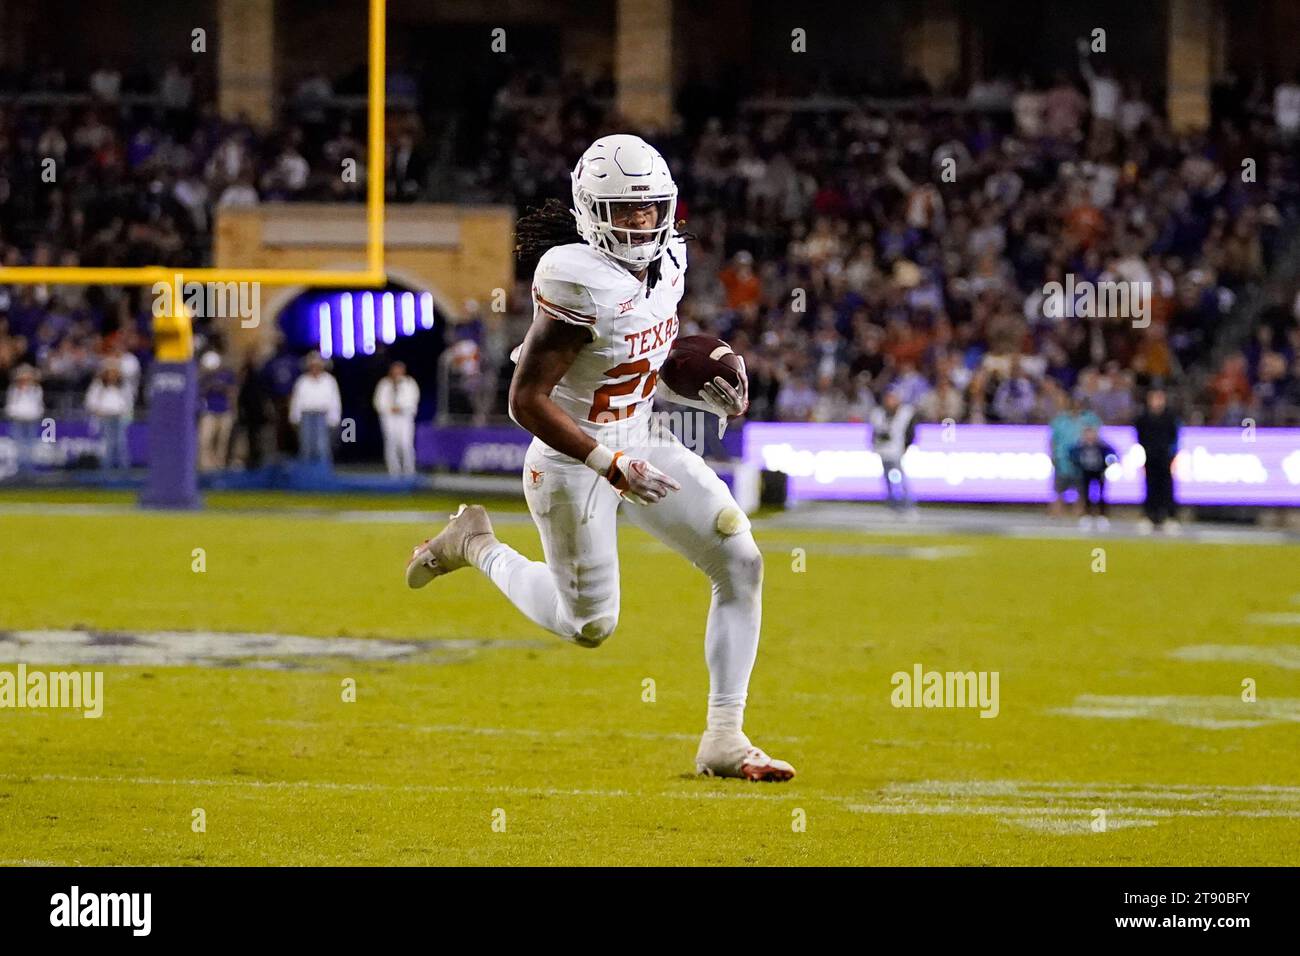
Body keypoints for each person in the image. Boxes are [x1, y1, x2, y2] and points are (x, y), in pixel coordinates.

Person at [404, 134, 793, 782]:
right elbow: (525, 400)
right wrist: (608, 465)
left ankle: (724, 738)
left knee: (740, 558)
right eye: (625, 211)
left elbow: (635, 366)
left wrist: (703, 390)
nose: (641, 223)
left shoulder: (670, 262)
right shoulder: (573, 278)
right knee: (588, 627)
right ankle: (475, 544)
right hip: (567, 458)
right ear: (591, 213)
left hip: (637, 434)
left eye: (650, 210)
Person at [1134, 387, 1180, 534]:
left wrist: (1169, 452)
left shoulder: (1170, 417)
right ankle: (1150, 517)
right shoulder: (1143, 418)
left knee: (1167, 487)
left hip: (1165, 458)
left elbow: (1174, 436)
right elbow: (1139, 436)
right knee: (1150, 487)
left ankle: (1169, 517)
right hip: (1150, 457)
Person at [1048, 394, 1100, 518]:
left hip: (1080, 461)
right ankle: (1056, 515)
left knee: (1081, 490)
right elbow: (1053, 440)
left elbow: (1095, 435)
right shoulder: (1060, 420)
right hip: (1063, 460)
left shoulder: (1089, 419)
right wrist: (1053, 455)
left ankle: (1079, 514)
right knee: (1059, 489)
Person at [869, 388, 917, 514]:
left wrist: (906, 447)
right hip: (883, 451)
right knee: (887, 479)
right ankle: (893, 504)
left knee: (900, 478)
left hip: (896, 452)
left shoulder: (905, 413)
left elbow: (910, 433)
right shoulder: (879, 414)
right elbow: (874, 433)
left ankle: (907, 504)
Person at [288, 354, 341, 466]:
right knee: (306, 445)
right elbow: (297, 400)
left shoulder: (329, 381)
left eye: (317, 366)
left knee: (322, 446)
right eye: (312, 366)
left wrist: (334, 417)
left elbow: (334, 400)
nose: (315, 368)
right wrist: (294, 416)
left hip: (322, 416)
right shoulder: (302, 381)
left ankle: (323, 472)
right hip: (306, 416)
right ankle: (306, 472)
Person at [373, 361, 420, 476]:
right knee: (391, 444)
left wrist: (401, 408)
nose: (396, 372)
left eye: (399, 370)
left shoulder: (409, 383)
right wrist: (389, 409)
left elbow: (413, 400)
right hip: (389, 418)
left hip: (405, 417)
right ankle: (394, 471)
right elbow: (378, 402)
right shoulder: (384, 384)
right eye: (395, 370)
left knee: (406, 443)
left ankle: (409, 471)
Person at [1069, 425, 1119, 530]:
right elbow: (1072, 455)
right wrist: (1078, 464)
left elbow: (1112, 454)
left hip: (1099, 472)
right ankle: (1087, 515)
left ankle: (1102, 516)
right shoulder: (1080, 446)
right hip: (1086, 472)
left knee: (1101, 494)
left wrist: (1106, 465)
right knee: (1086, 494)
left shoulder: (1101, 446)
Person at [85, 363, 133, 471]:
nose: (112, 375)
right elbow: (90, 401)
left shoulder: (123, 386)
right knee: (108, 443)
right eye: (110, 373)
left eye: (114, 373)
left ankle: (125, 470)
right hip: (105, 417)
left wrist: (127, 415)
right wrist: (97, 411)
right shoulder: (99, 385)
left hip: (120, 417)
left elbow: (129, 402)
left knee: (121, 442)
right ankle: (106, 469)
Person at [197, 351, 237, 472]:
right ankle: (206, 467)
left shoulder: (226, 375)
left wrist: (233, 408)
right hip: (208, 411)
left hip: (225, 411)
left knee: (222, 441)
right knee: (205, 439)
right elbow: (199, 393)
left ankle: (220, 466)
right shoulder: (203, 378)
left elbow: (233, 392)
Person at [4, 364, 44, 475]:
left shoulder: (36, 390)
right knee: (18, 444)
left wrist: (34, 415)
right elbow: (10, 406)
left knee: (30, 444)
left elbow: (39, 406)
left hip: (31, 420)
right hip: (18, 420)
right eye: (23, 377)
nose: (25, 379)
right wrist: (15, 414)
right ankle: (19, 468)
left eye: (27, 377)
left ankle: (28, 468)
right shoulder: (14, 390)